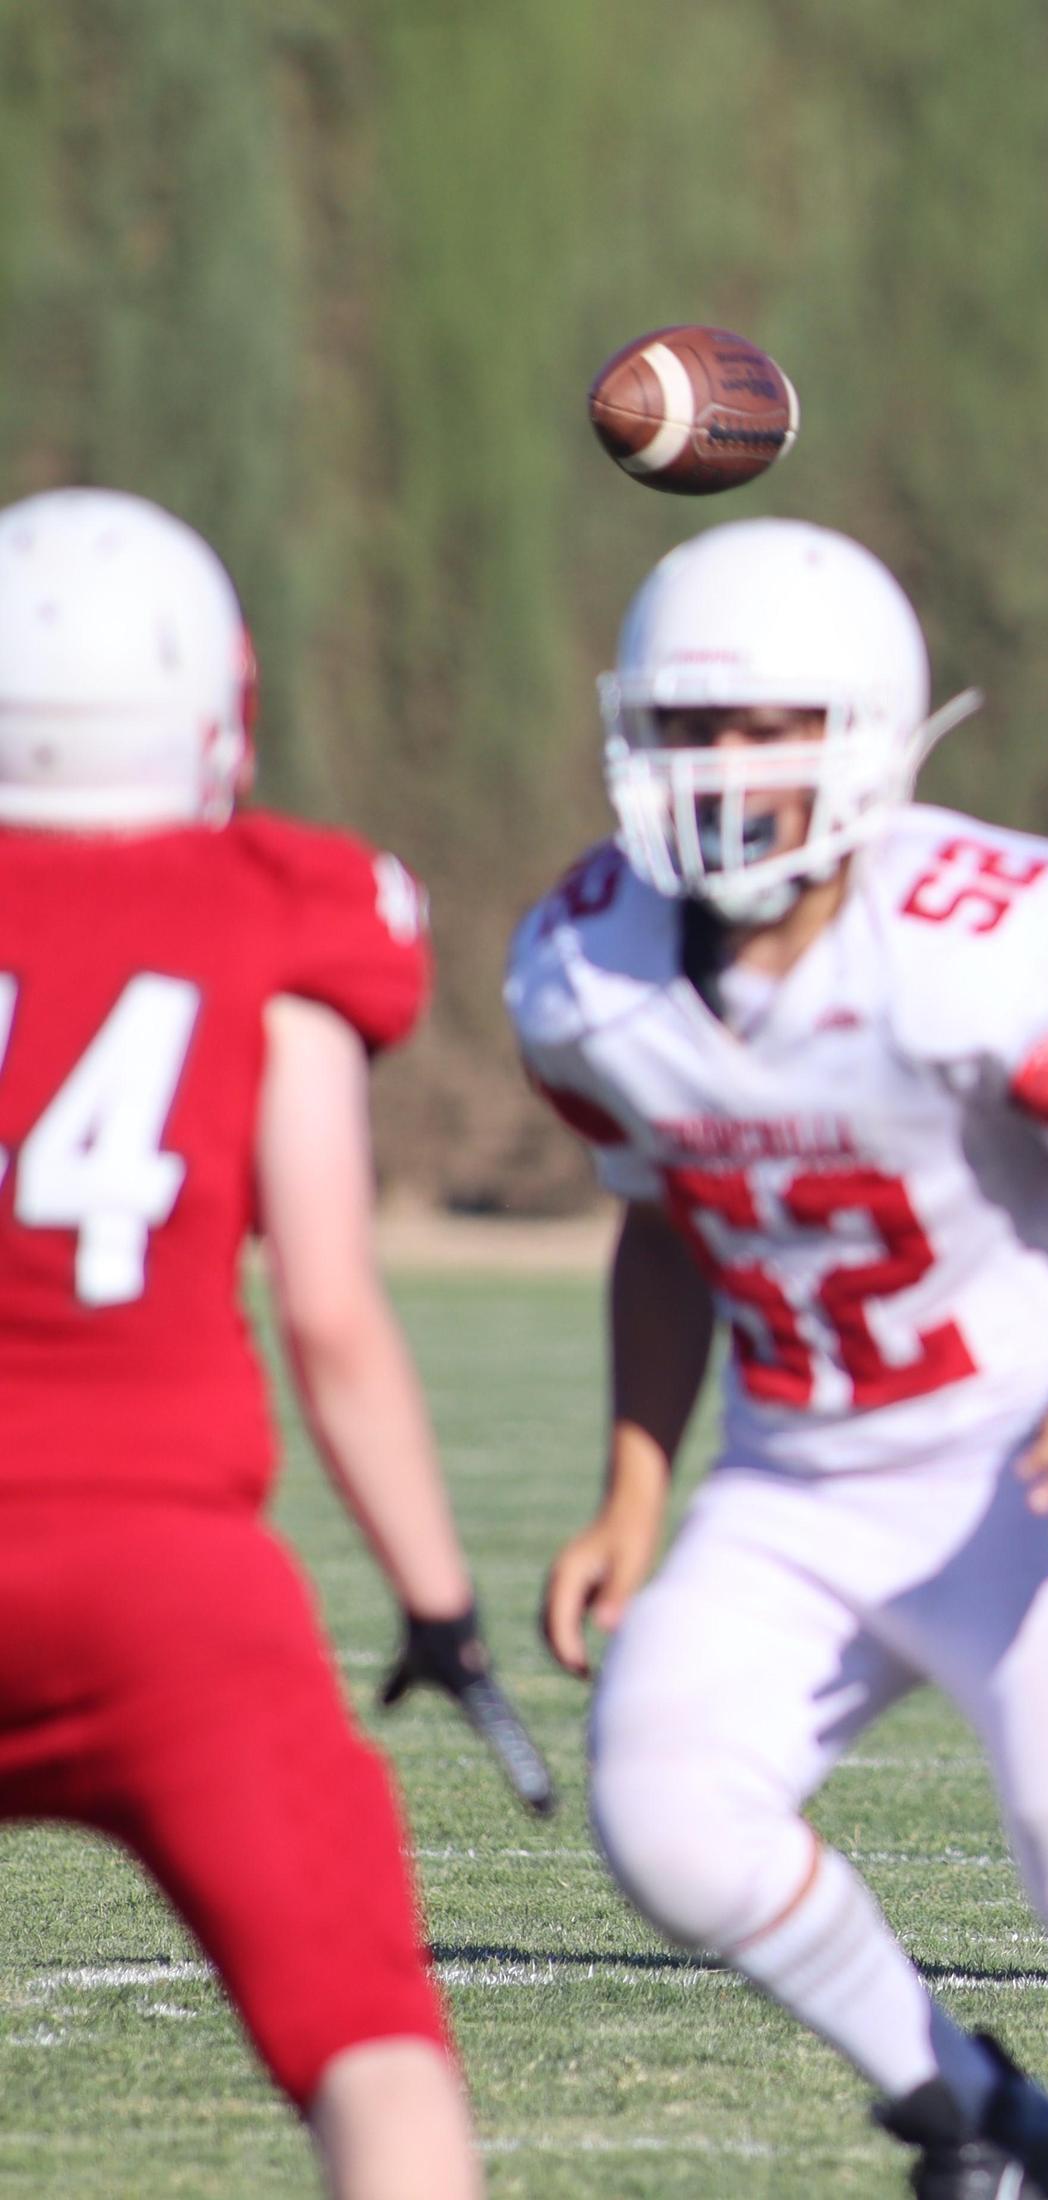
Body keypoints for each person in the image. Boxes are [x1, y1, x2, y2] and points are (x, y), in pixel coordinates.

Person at [511, 517, 1048, 2197]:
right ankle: (971, 2108)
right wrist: (629, 1491)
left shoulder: (997, 937)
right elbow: (668, 1222)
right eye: (690, 727)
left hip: (1027, 1474)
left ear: (870, 742)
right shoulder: (585, 966)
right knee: (665, 1807)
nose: (722, 770)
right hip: (797, 1484)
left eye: (768, 728)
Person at [0, 488, 547, 2197]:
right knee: (371, 2047)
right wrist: (441, 1601)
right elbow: (328, 1309)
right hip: (164, 1582)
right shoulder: (279, 904)